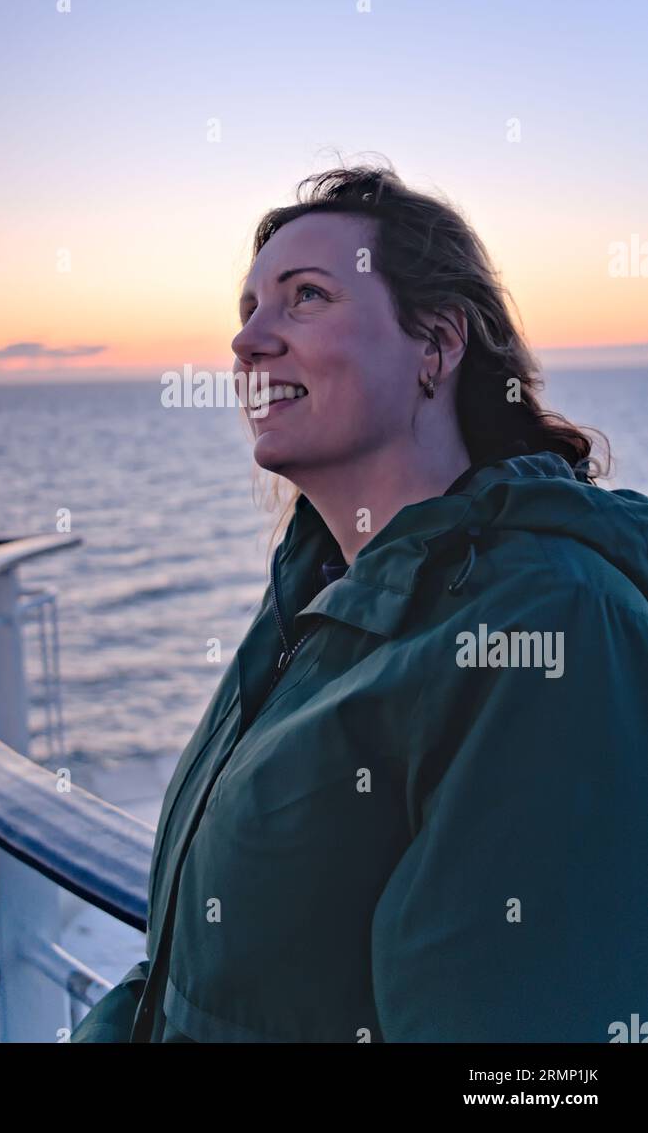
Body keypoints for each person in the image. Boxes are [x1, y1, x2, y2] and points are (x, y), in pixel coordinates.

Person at [70, 159, 648, 1043]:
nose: (248, 341)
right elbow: (195, 975)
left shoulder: (539, 625)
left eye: (305, 298)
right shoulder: (315, 598)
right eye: (249, 309)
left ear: (437, 347)